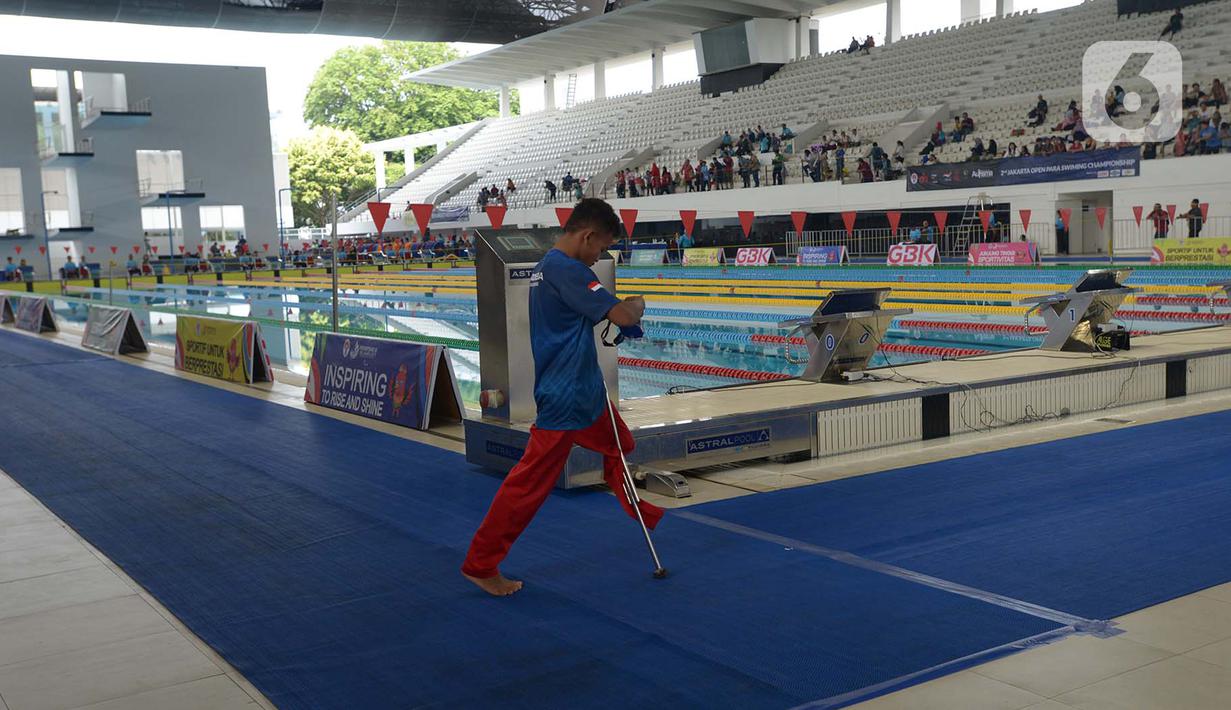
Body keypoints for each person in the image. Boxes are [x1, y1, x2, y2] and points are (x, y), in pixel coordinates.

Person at [461, 199, 662, 597]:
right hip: (567, 396)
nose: (599, 257)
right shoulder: (567, 270)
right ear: (587, 236)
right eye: (601, 248)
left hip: (584, 390)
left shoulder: (546, 266)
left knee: (619, 443)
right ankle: (481, 564)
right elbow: (622, 316)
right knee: (530, 482)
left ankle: (641, 509)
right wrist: (637, 304)